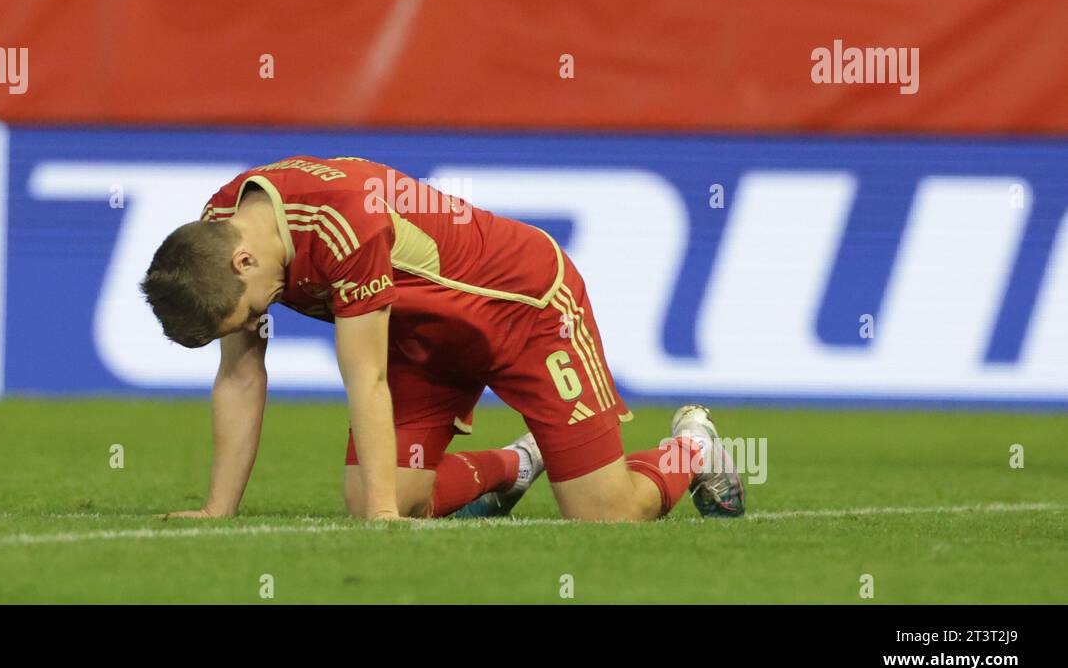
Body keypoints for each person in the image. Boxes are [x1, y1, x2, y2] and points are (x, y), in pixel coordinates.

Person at [141, 156, 745, 522]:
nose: (255, 325)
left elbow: (367, 380)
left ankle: (692, 449)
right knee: (378, 498)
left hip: (525, 310)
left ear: (244, 261)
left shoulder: (344, 221)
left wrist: (382, 518)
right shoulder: (217, 232)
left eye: (247, 314)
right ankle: (519, 463)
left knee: (606, 514)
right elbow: (241, 376)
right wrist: (218, 510)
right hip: (419, 337)